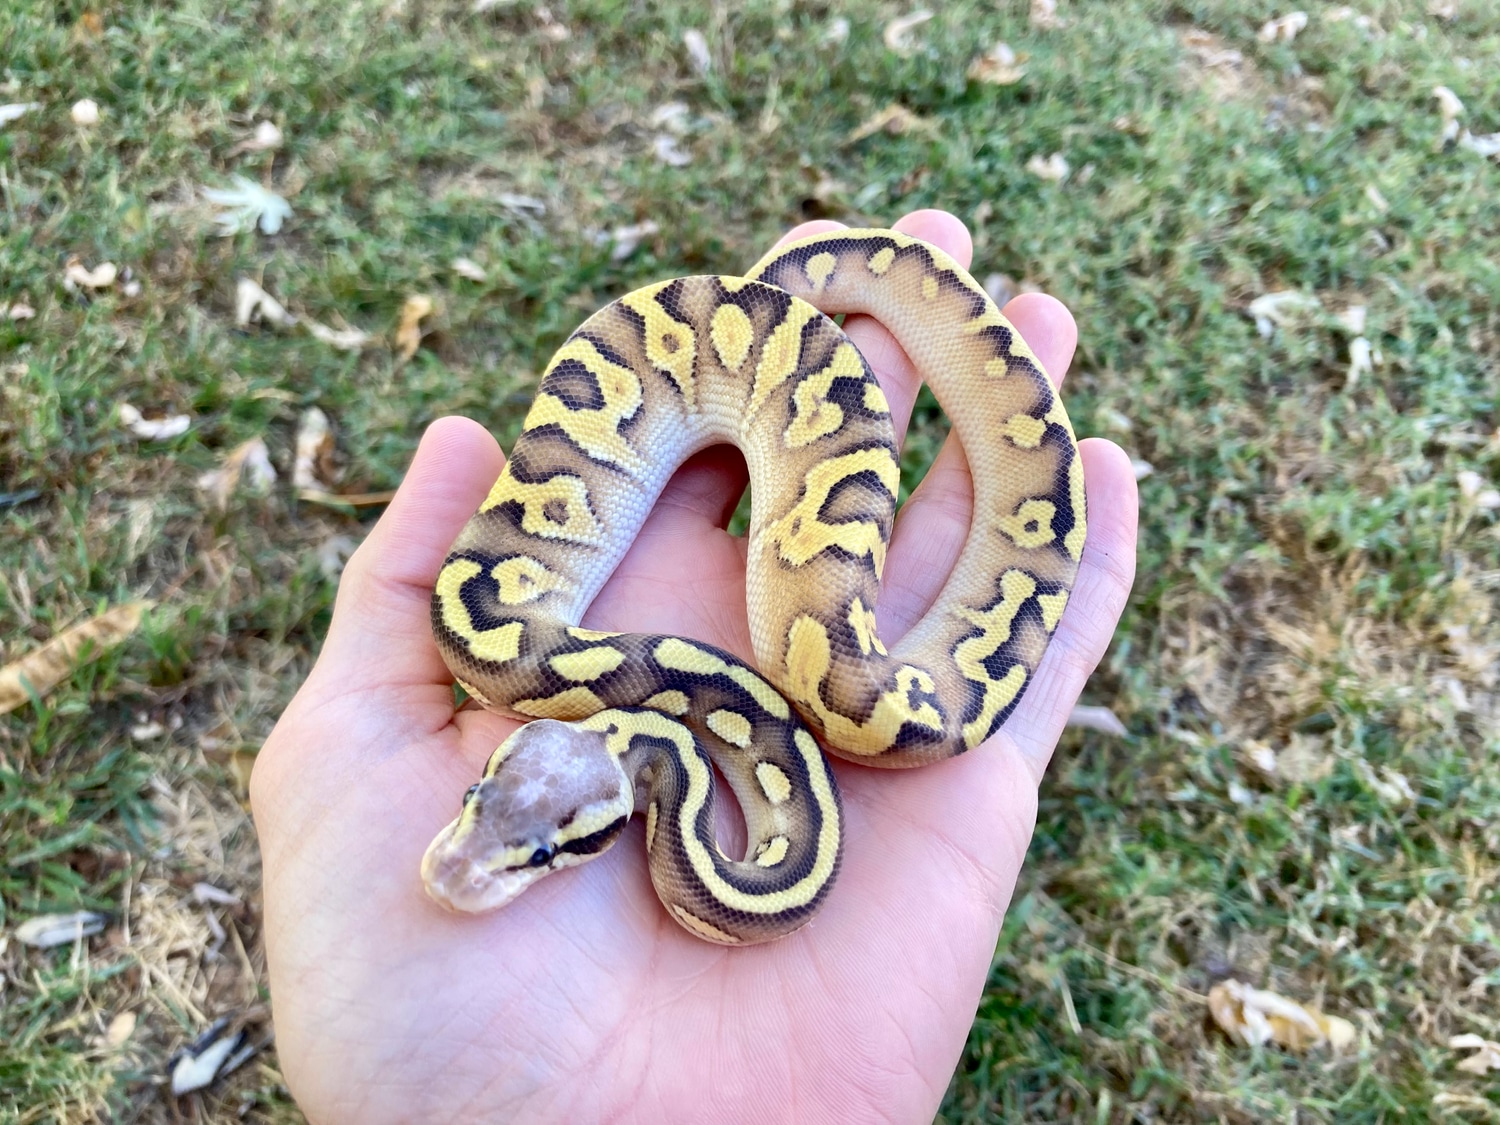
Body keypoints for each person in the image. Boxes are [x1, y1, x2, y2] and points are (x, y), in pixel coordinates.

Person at [251, 209, 1139, 1124]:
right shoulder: (701, 802)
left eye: (536, 846)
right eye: (519, 838)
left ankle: (817, 302)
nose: (456, 864)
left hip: (727, 392)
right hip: (727, 398)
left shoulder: (549, 682)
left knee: (868, 692)